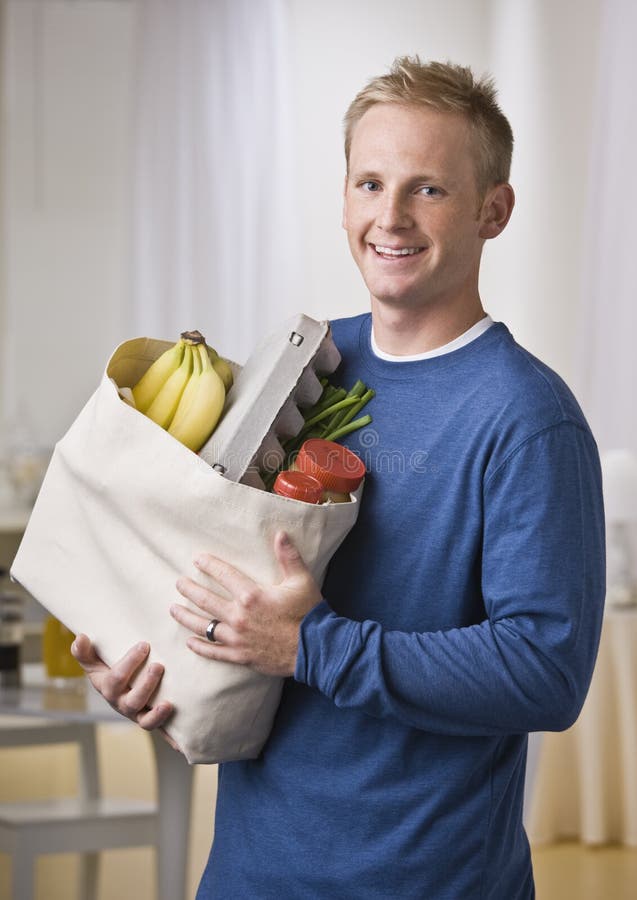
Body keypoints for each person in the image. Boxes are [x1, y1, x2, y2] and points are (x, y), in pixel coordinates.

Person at [72, 57, 606, 898]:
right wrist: (160, 674)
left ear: (492, 211)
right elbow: (239, 587)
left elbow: (543, 671)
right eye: (368, 183)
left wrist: (311, 644)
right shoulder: (305, 367)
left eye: (426, 189)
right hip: (249, 874)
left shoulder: (527, 418)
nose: (388, 217)